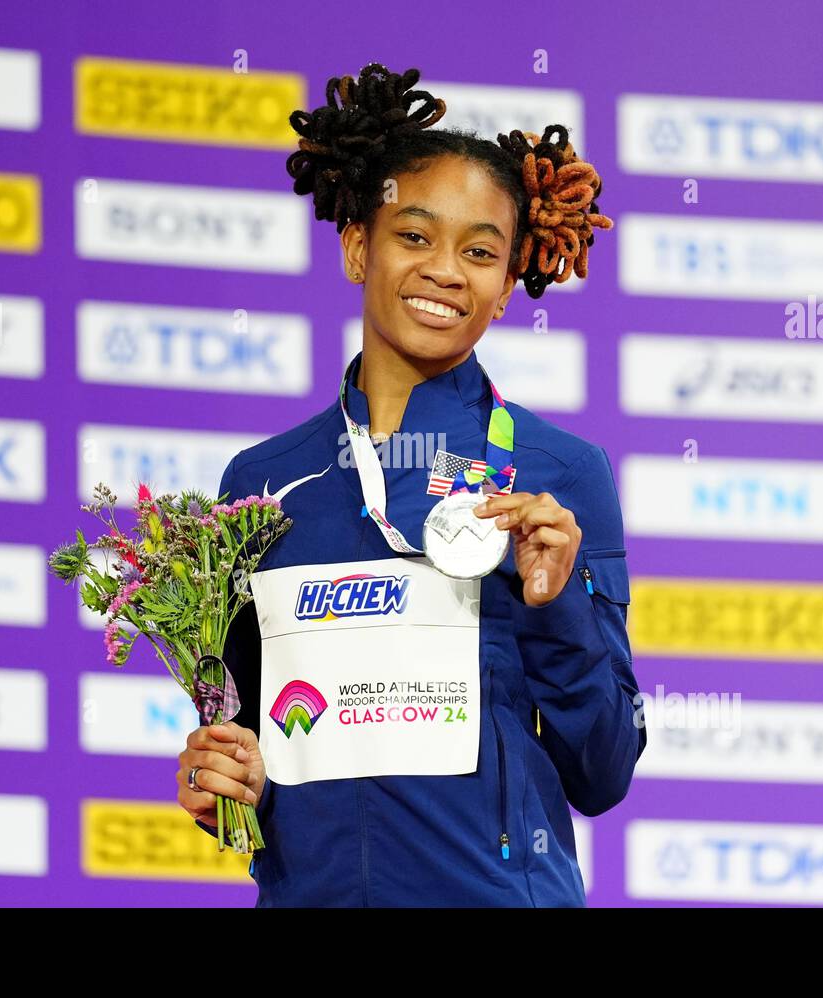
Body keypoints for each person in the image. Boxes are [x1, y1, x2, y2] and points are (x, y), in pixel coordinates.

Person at [176, 62, 644, 907]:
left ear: (505, 289)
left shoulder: (559, 476)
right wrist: (227, 780)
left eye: (479, 251)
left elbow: (604, 772)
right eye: (415, 235)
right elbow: (256, 741)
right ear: (358, 246)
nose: (445, 271)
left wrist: (560, 603)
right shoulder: (260, 484)